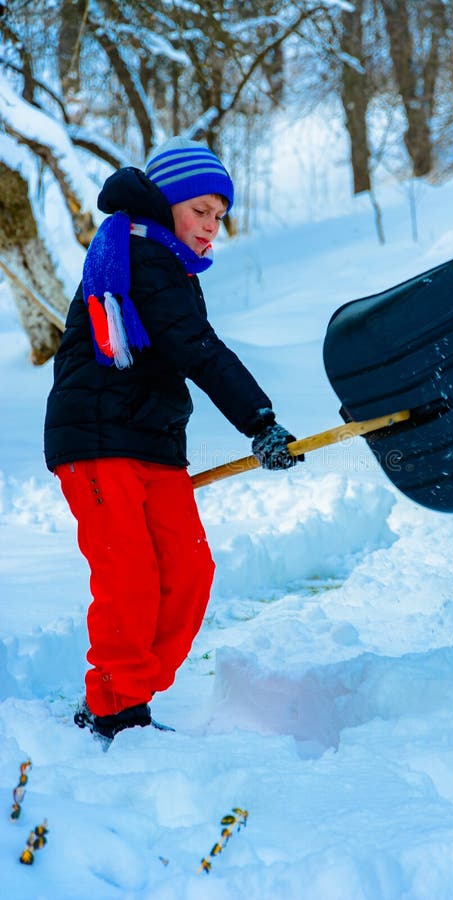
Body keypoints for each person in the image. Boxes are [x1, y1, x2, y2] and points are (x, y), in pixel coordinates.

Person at [44, 137, 302, 743]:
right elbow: (198, 349)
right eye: (200, 211)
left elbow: (185, 347)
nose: (212, 226)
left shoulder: (166, 265)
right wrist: (259, 421)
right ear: (165, 205)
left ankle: (123, 691)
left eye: (220, 216)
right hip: (97, 439)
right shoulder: (142, 253)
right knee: (129, 577)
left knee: (188, 570)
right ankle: (117, 708)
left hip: (153, 442)